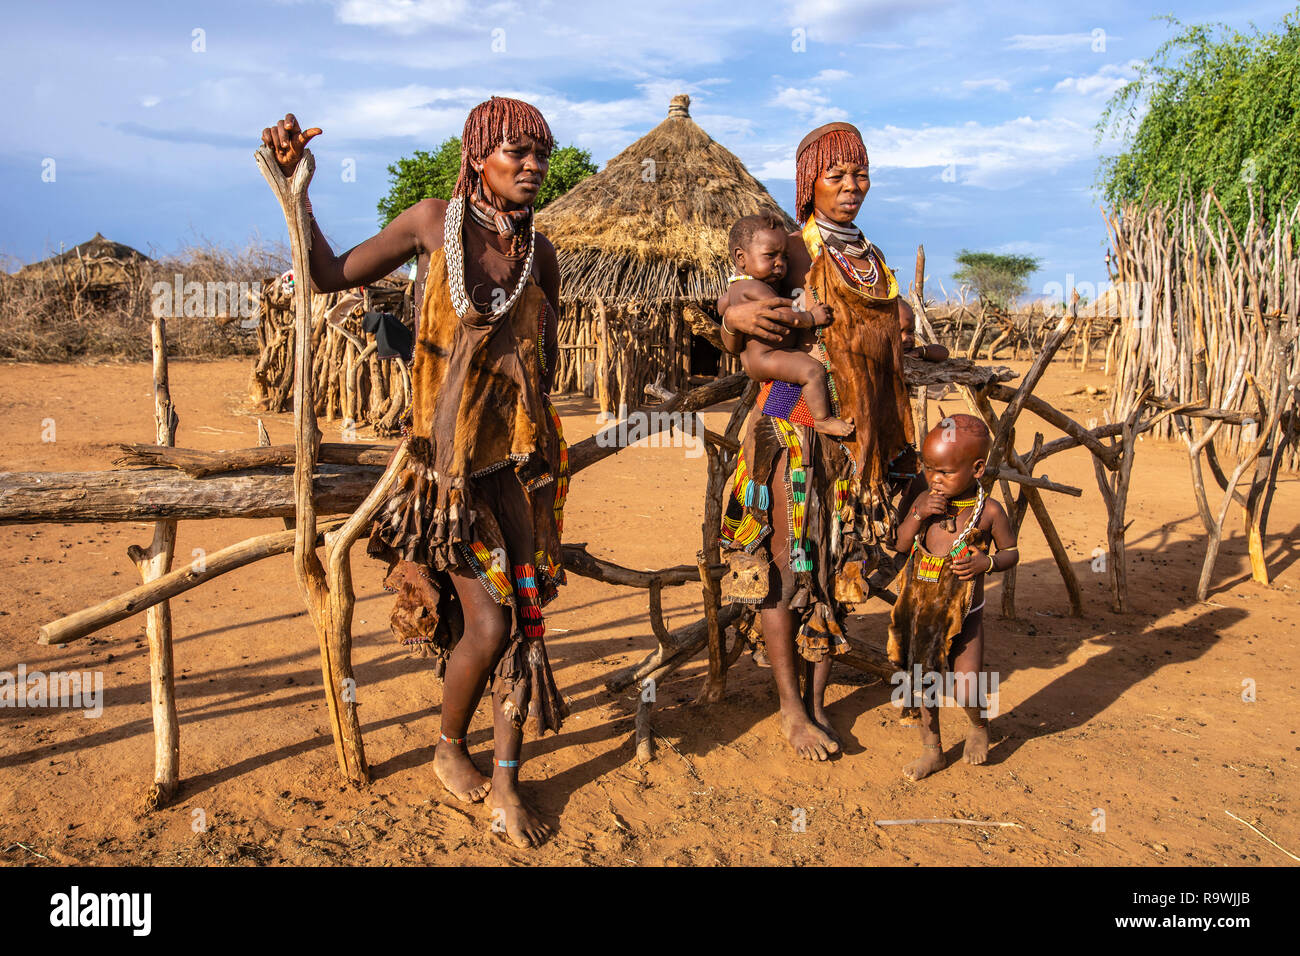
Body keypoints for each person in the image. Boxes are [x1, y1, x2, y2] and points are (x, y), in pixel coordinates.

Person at [259, 100, 566, 848]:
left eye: (540, 156)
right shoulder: (433, 222)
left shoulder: (544, 254)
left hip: (517, 473)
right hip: (443, 483)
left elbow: (542, 366)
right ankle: (448, 747)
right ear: (477, 156)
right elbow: (328, 275)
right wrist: (298, 186)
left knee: (524, 627)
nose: (530, 166)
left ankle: (504, 783)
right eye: (515, 152)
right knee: (488, 624)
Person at [718, 121, 917, 760]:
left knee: (831, 568)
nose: (851, 186)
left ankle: (821, 701)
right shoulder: (794, 252)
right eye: (836, 175)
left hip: (856, 443)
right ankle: (789, 706)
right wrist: (732, 315)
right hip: (795, 433)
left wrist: (905, 326)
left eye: (859, 174)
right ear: (809, 182)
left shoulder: (870, 255)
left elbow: (884, 325)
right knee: (784, 565)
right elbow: (745, 315)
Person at [889, 414, 1018, 781]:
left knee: (966, 685)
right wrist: (917, 513)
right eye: (929, 470)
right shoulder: (924, 502)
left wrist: (987, 562)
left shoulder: (989, 512)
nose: (936, 479)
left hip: (966, 614)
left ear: (977, 468)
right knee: (922, 685)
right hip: (920, 612)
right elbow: (900, 544)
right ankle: (933, 752)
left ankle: (978, 725)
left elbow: (1013, 553)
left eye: (945, 471)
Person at [717, 212, 854, 437]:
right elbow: (782, 314)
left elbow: (723, 304)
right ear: (741, 258)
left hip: (762, 357)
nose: (780, 264)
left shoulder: (738, 286)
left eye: (784, 258)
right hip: (768, 357)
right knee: (812, 370)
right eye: (770, 256)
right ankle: (822, 419)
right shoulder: (755, 288)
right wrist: (811, 317)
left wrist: (728, 311)